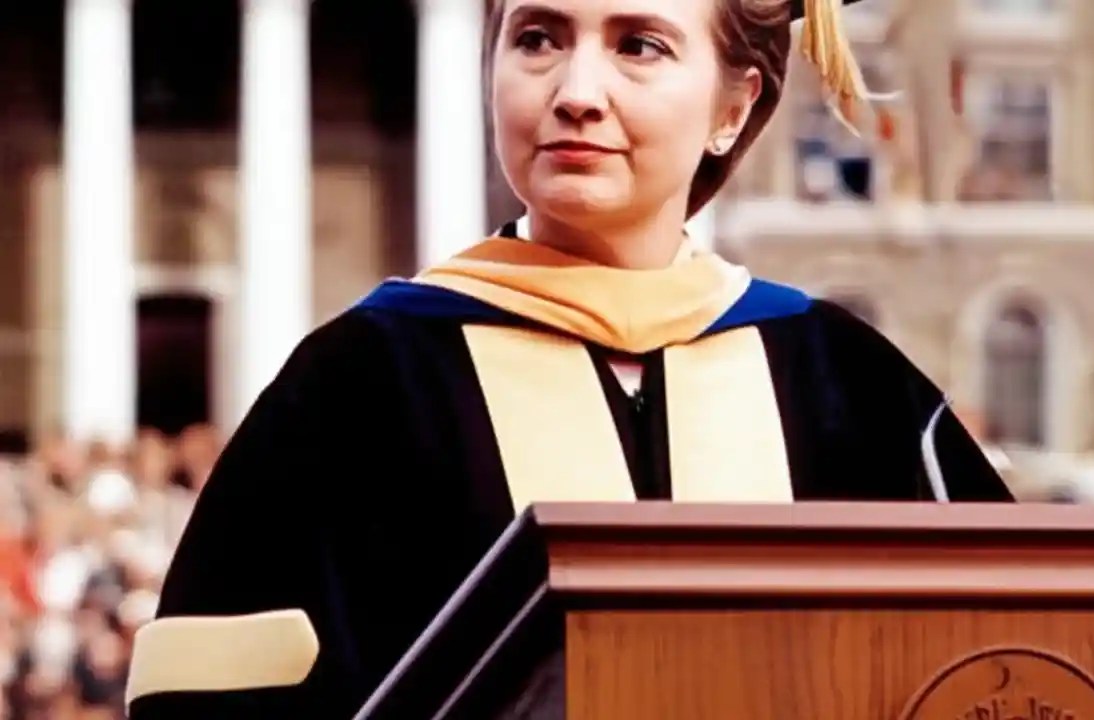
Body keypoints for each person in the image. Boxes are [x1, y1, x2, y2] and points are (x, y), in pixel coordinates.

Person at [125, 0, 1014, 717]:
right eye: (539, 37)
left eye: (640, 46)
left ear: (733, 106)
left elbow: (1020, 663)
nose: (576, 90)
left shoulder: (848, 387)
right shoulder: (359, 385)